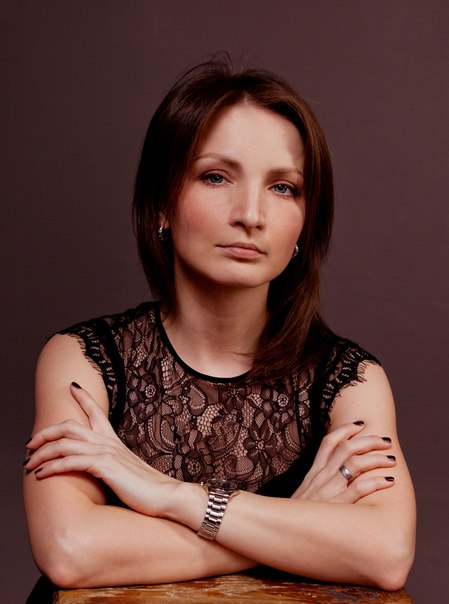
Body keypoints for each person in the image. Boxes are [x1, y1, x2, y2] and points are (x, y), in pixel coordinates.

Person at [23, 58, 416, 598]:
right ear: (162, 203)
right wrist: (290, 525)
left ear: (305, 225)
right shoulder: (82, 359)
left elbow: (386, 554)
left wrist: (174, 497)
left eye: (283, 187)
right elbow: (70, 550)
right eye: (216, 176)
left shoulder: (351, 380)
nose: (251, 214)